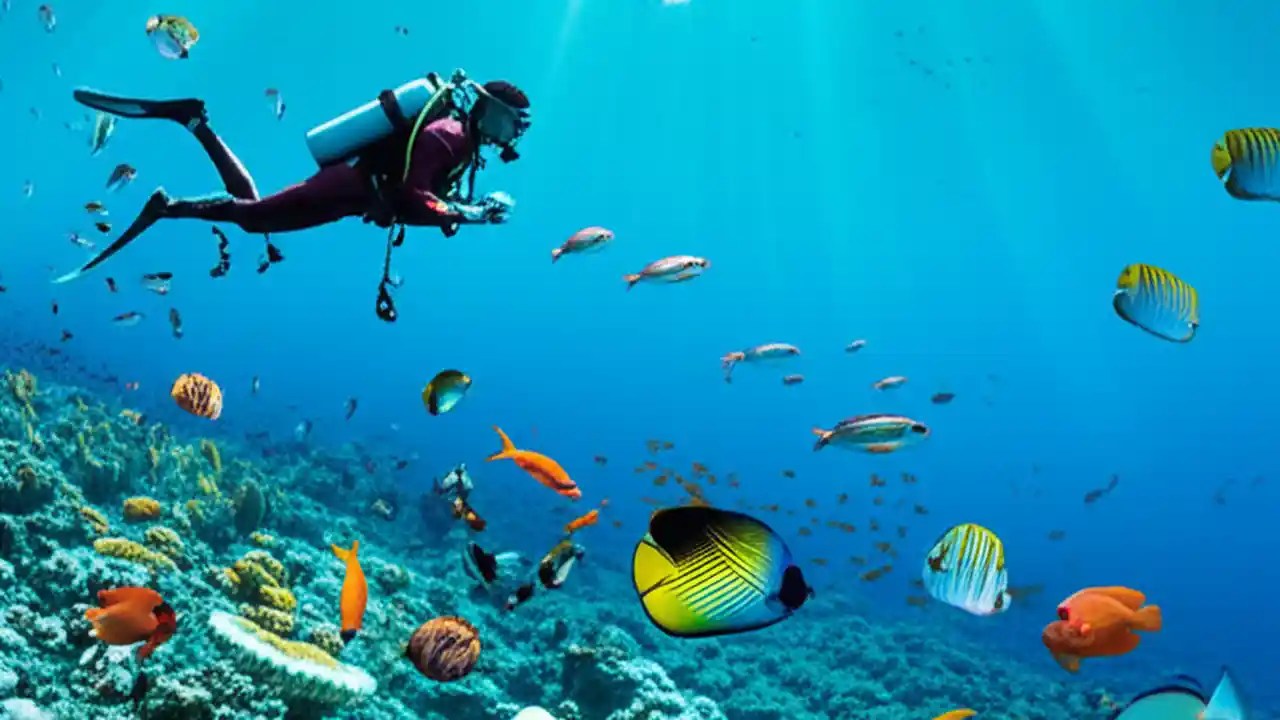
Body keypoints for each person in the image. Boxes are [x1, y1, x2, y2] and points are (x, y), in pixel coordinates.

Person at [58, 72, 531, 320]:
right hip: (347, 186)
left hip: (351, 193)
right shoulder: (450, 136)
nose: (515, 134)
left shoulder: (464, 145)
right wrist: (470, 215)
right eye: (514, 122)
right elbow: (412, 196)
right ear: (490, 111)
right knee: (256, 217)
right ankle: (167, 205)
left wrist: (462, 211)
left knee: (256, 213)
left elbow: (420, 196)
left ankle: (195, 122)